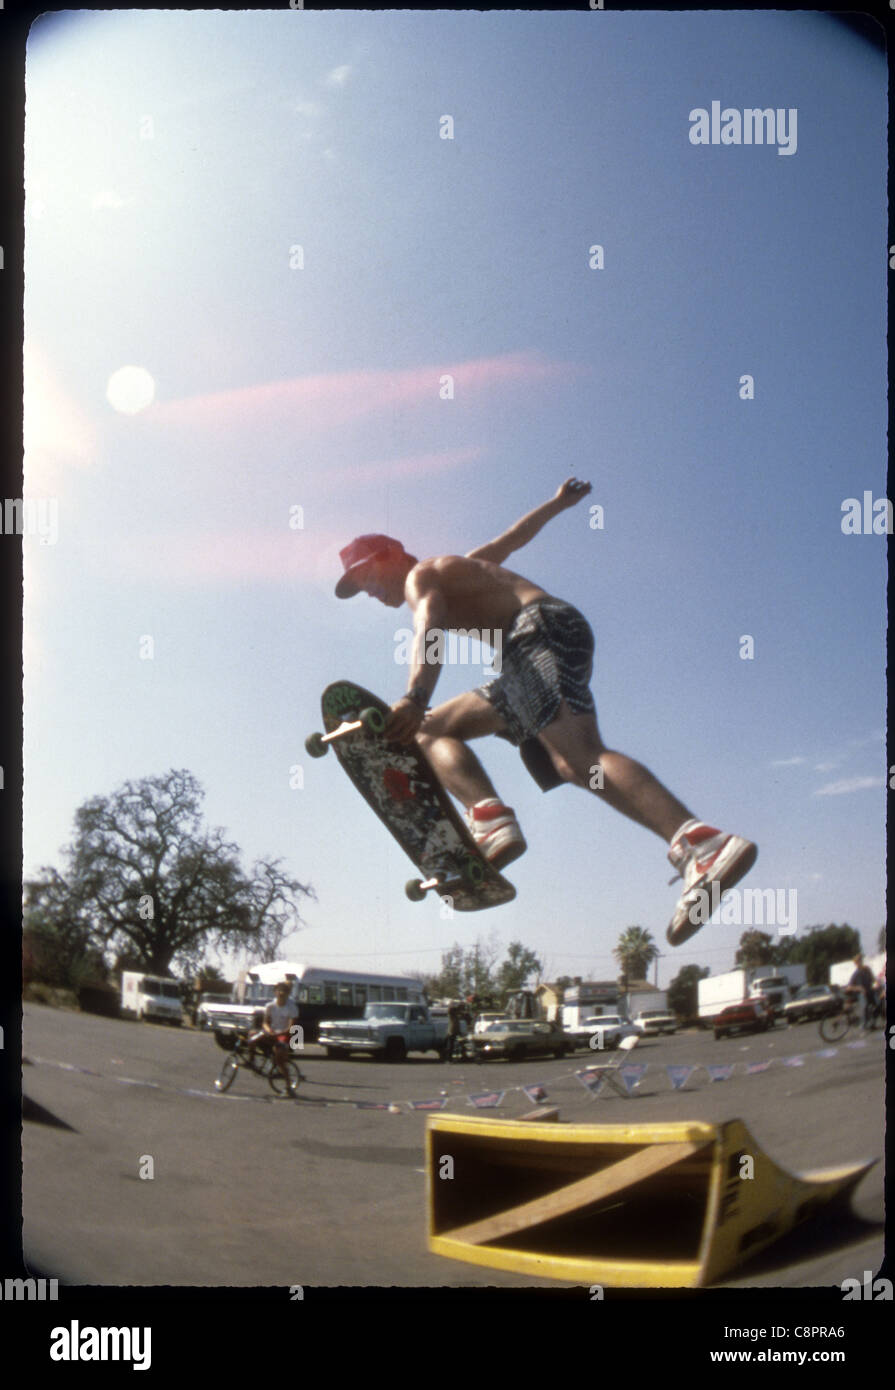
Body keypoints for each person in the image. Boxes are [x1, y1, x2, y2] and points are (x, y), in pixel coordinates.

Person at [335, 478, 758, 943]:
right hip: (534, 647)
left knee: (580, 756)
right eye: (359, 588)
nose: (370, 592)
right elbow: (510, 541)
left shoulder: (422, 577)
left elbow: (430, 629)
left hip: (537, 634)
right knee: (437, 733)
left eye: (367, 577)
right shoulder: (460, 569)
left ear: (392, 554)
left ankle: (703, 844)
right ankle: (490, 818)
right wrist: (557, 504)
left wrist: (415, 696)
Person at [247, 981, 299, 1093]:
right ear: (275, 992)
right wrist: (268, 1029)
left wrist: (277, 1034)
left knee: (280, 1059)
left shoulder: (291, 1008)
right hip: (271, 1033)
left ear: (288, 993)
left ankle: (289, 1086)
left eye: (284, 991)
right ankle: (251, 1061)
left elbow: (290, 1028)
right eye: (279, 990)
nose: (281, 993)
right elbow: (265, 1023)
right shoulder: (270, 1006)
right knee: (251, 1036)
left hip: (283, 1035)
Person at [846, 954, 879, 1030]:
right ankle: (864, 1024)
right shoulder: (855, 974)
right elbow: (849, 987)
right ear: (855, 963)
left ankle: (872, 1022)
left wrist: (877, 983)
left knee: (877, 1005)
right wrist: (859, 988)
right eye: (857, 962)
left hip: (870, 991)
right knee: (865, 1006)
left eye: (860, 961)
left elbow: (873, 978)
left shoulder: (867, 969)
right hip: (861, 994)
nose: (859, 963)